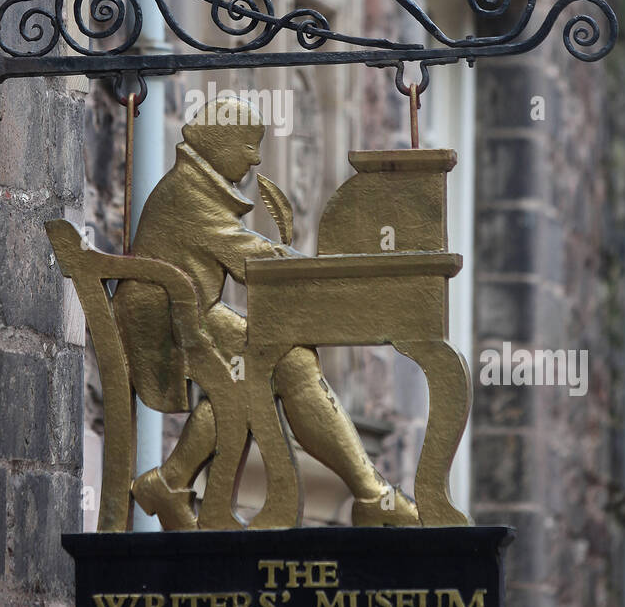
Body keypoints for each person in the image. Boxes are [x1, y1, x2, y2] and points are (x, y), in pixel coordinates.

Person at [113, 95, 419, 530]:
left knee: (274, 365)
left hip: (190, 311)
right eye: (248, 145)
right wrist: (325, 273)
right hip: (167, 320)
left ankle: (171, 481)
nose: (256, 158)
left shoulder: (199, 186)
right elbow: (248, 256)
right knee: (274, 365)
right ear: (220, 142)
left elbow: (246, 249)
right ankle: (371, 494)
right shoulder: (188, 193)